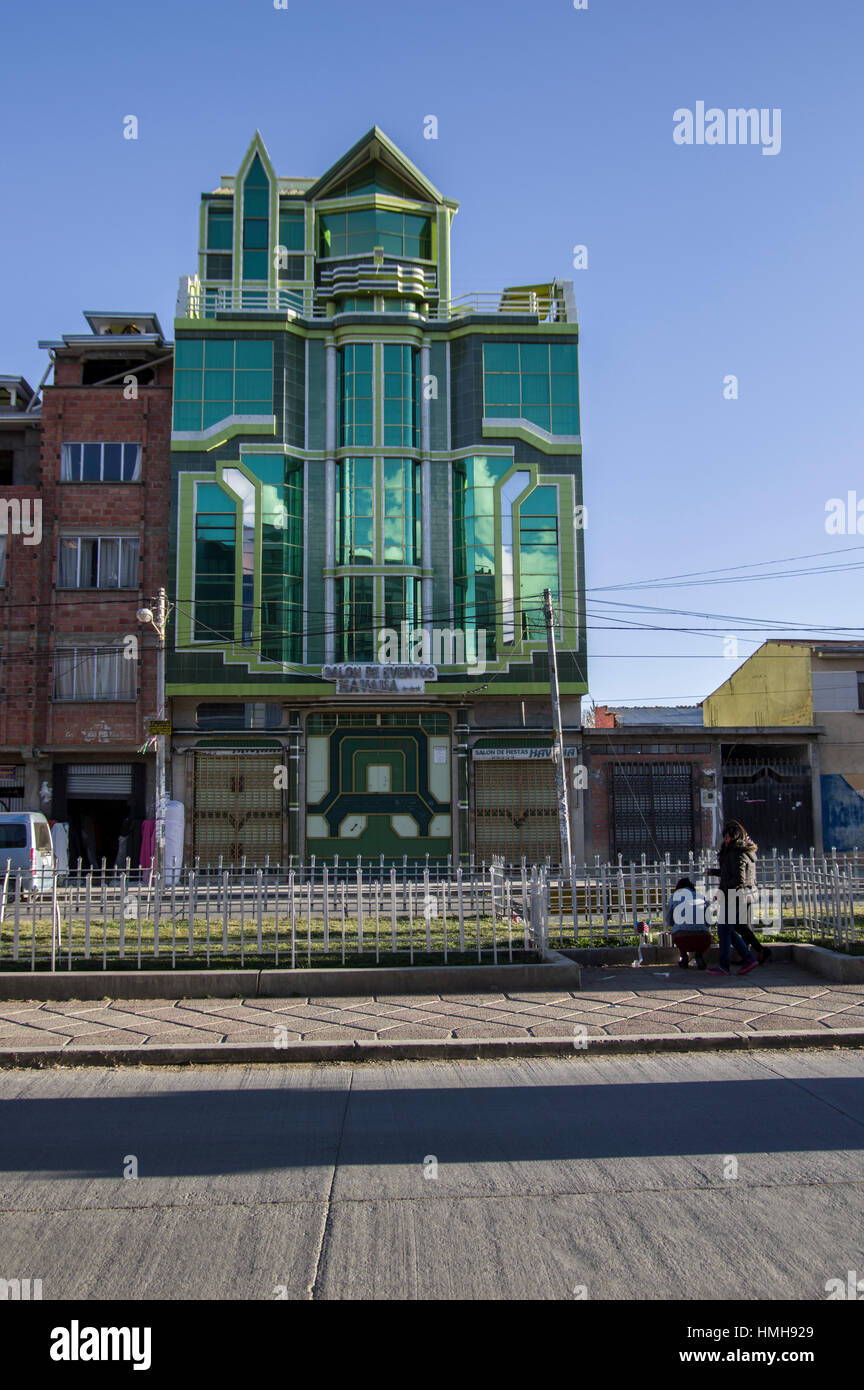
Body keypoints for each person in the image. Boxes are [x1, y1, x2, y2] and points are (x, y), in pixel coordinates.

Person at [706, 820, 769, 975]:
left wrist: (722, 891)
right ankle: (746, 959)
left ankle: (730, 964)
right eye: (725, 837)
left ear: (735, 837)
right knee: (728, 929)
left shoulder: (737, 852)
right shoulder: (742, 851)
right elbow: (730, 873)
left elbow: (738, 879)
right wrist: (714, 872)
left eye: (727, 837)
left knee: (725, 929)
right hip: (737, 895)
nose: (725, 840)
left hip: (734, 896)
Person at [664, 876, 714, 969]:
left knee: (676, 932)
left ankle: (684, 957)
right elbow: (709, 921)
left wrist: (676, 925)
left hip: (683, 938)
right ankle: (699, 954)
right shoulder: (701, 897)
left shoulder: (674, 897)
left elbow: (668, 919)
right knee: (704, 933)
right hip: (704, 938)